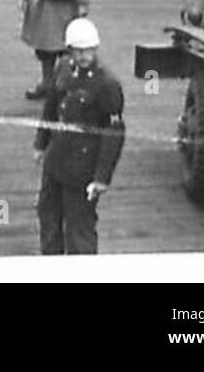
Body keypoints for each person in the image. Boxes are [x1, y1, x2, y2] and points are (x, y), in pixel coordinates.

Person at [34, 17, 125, 255]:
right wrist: (41, 143)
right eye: (79, 50)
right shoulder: (63, 69)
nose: (84, 55)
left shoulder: (107, 84)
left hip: (82, 169)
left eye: (89, 50)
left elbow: (113, 133)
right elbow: (52, 107)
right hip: (56, 162)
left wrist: (102, 177)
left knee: (79, 231)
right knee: (49, 220)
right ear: (70, 50)